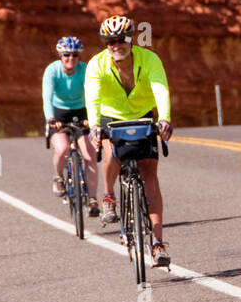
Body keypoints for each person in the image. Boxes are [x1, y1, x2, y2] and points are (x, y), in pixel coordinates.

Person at [84, 15, 173, 266]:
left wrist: (164, 118)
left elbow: (160, 89)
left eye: (121, 39)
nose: (116, 45)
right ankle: (109, 196)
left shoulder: (149, 59)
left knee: (149, 175)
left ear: (130, 39)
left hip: (143, 116)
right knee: (111, 151)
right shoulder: (96, 65)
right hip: (110, 117)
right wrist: (93, 127)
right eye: (110, 41)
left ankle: (157, 244)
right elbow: (92, 98)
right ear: (105, 43)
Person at [42, 36, 99, 215]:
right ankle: (58, 177)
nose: (71, 59)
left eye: (75, 55)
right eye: (66, 55)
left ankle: (92, 199)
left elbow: (92, 94)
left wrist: (93, 118)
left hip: (82, 112)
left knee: (89, 154)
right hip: (59, 113)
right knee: (62, 148)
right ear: (60, 55)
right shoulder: (52, 71)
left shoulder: (85, 70)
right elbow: (47, 97)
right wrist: (51, 119)